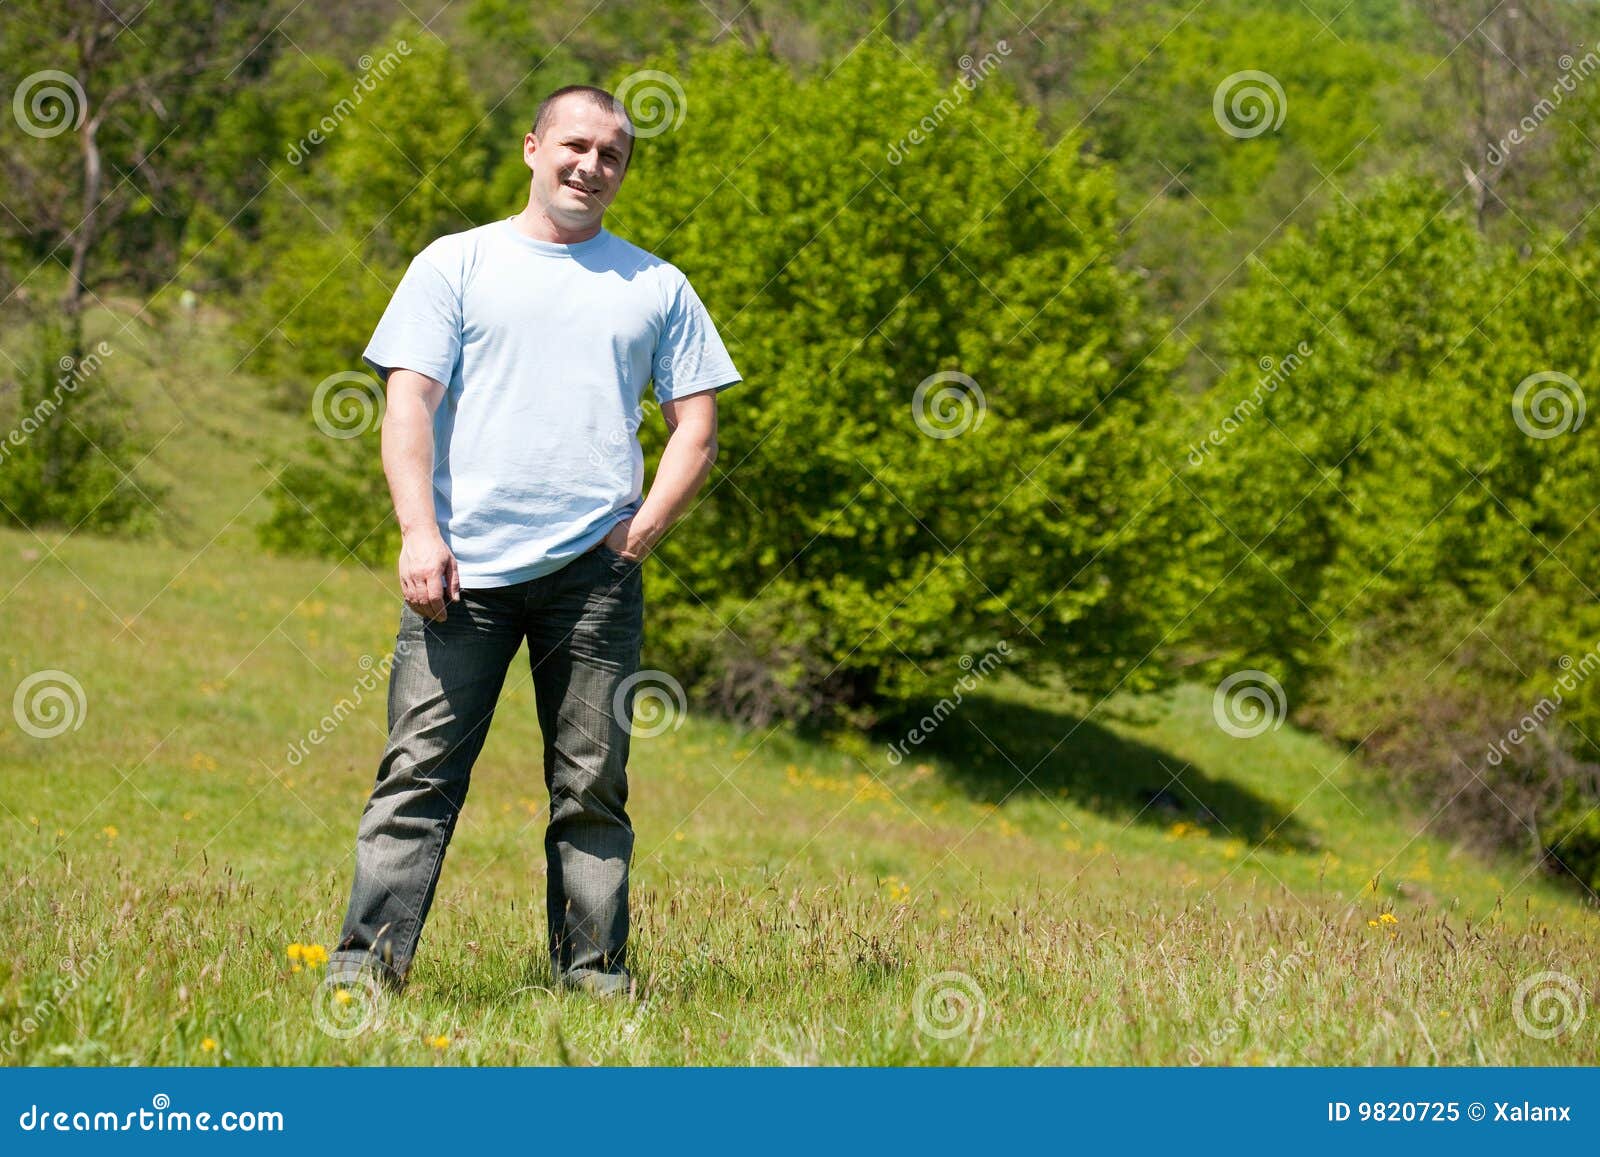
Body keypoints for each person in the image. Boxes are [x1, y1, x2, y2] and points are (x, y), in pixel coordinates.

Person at [326, 84, 741, 999]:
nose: (591, 166)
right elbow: (408, 407)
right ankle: (363, 971)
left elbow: (698, 428)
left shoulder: (656, 286)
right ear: (532, 147)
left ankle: (593, 980)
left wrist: (635, 539)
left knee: (591, 788)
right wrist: (418, 533)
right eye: (576, 146)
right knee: (418, 774)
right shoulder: (455, 263)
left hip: (595, 580)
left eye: (612, 156)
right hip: (458, 572)